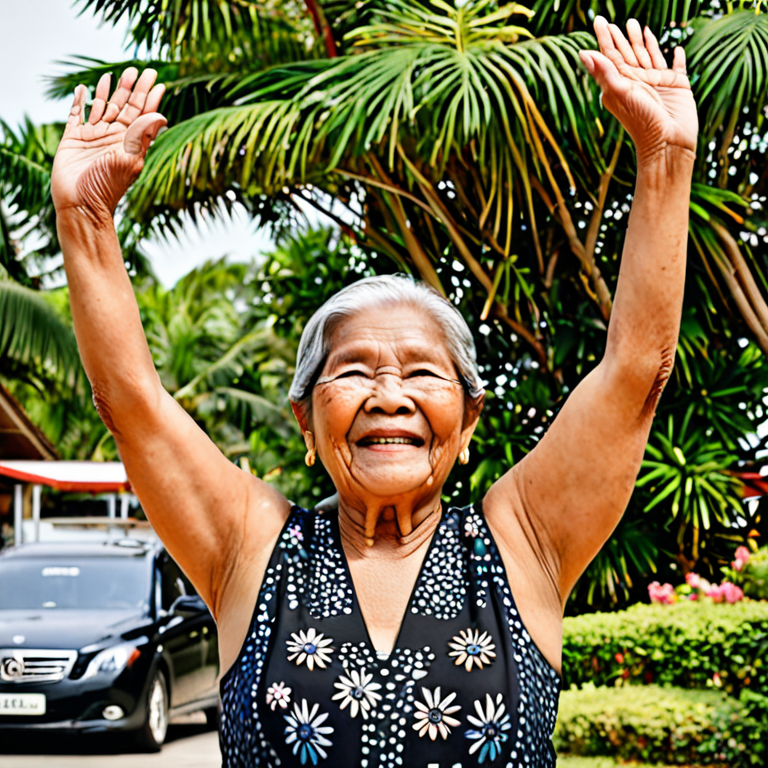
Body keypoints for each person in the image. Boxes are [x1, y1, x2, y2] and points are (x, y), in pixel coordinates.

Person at [51, 14, 697, 767]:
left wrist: (665, 159)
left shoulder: (523, 544)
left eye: (423, 373)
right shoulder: (249, 550)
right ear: (304, 415)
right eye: (354, 370)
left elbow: (635, 375)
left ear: (467, 422)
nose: (389, 395)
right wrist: (87, 217)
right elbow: (131, 404)